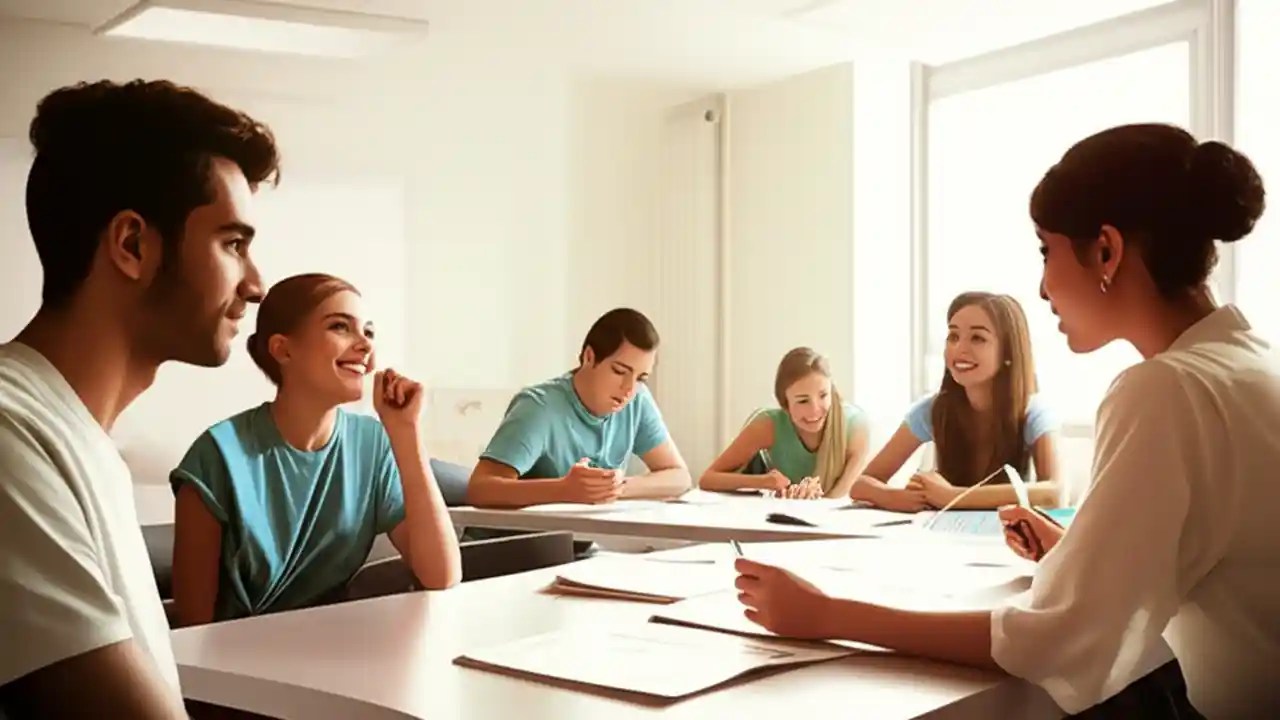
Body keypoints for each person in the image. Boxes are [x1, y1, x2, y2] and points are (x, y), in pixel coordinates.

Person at [734, 123, 1280, 718]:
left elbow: (1058, 640)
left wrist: (829, 615)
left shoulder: (1167, 389)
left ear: (1106, 250)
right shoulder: (1249, 364)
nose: (1043, 288)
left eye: (1047, 252)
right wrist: (1080, 553)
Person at [0, 79, 279, 718]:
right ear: (132, 245)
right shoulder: (12, 436)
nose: (257, 284)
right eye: (233, 244)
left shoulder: (75, 439)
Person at [170, 274, 462, 626]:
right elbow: (192, 626)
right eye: (340, 327)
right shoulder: (217, 454)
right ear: (283, 349)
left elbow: (441, 577)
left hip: (333, 649)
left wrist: (406, 432)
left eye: (368, 332)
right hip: (232, 657)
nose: (365, 345)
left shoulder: (373, 443)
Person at [851, 292, 1061, 512]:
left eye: (978, 338)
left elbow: (1054, 493)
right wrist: (892, 497)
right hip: (947, 535)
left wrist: (952, 496)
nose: (960, 348)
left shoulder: (1033, 412)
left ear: (1008, 352)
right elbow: (861, 485)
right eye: (953, 336)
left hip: (1007, 540)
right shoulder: (932, 410)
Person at [466, 308, 691, 508]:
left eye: (641, 378)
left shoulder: (637, 400)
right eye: (620, 372)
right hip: (514, 546)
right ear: (589, 357)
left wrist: (616, 486)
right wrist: (563, 490)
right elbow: (480, 489)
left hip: (579, 544)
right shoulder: (539, 407)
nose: (629, 389)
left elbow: (678, 477)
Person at [699, 347, 870, 499]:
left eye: (824, 395)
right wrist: (763, 482)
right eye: (803, 401)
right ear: (785, 404)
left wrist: (811, 498)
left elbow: (840, 497)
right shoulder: (768, 425)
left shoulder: (855, 426)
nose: (815, 410)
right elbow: (708, 479)